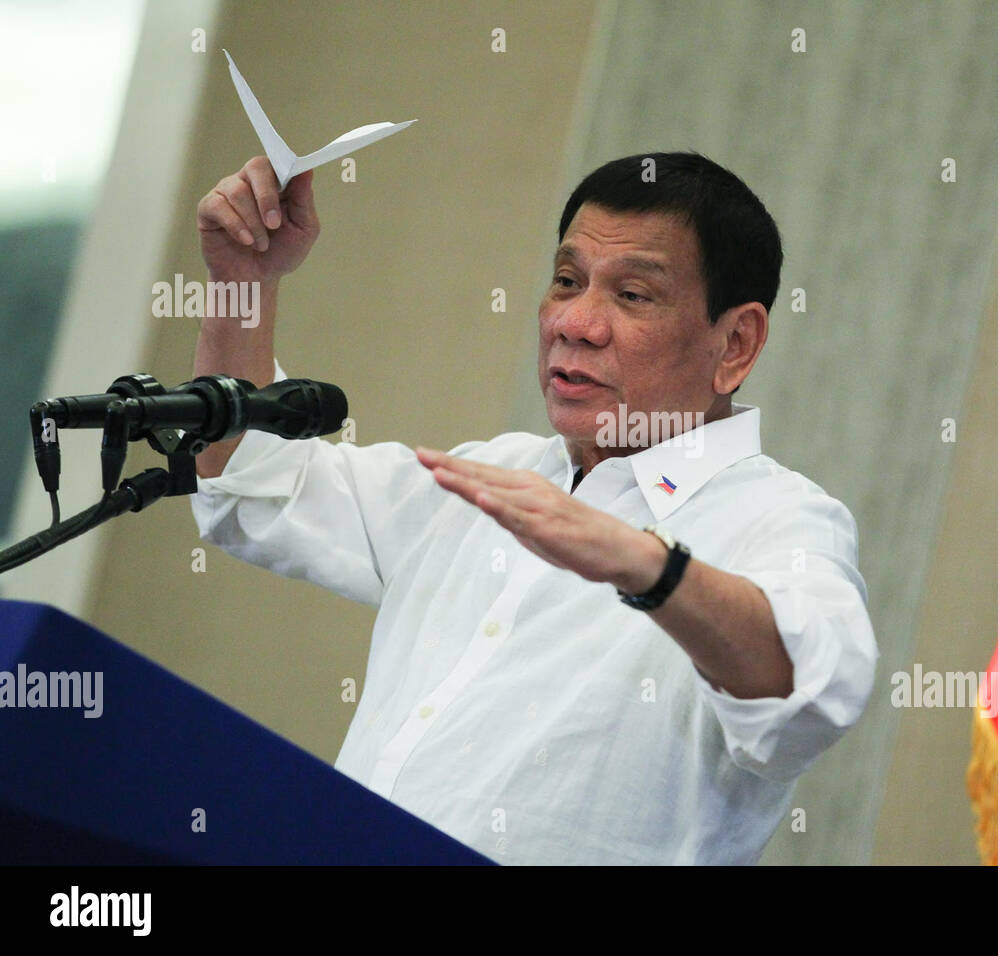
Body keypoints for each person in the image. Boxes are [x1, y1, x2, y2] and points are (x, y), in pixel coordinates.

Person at [190, 150, 878, 864]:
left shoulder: (778, 517)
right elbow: (251, 483)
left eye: (633, 295)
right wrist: (243, 280)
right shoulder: (492, 475)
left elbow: (814, 693)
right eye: (567, 281)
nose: (575, 323)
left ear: (735, 344)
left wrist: (648, 566)